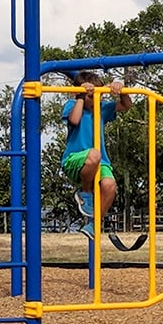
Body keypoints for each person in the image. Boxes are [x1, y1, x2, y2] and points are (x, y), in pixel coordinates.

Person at [61, 71, 132, 240]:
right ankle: (85, 192)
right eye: (91, 96)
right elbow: (75, 120)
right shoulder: (72, 105)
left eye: (98, 96)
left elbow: (127, 105)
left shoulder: (102, 109)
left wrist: (121, 90)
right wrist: (80, 96)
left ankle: (94, 224)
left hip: (100, 161)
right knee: (94, 154)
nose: (95, 100)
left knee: (109, 185)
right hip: (75, 159)